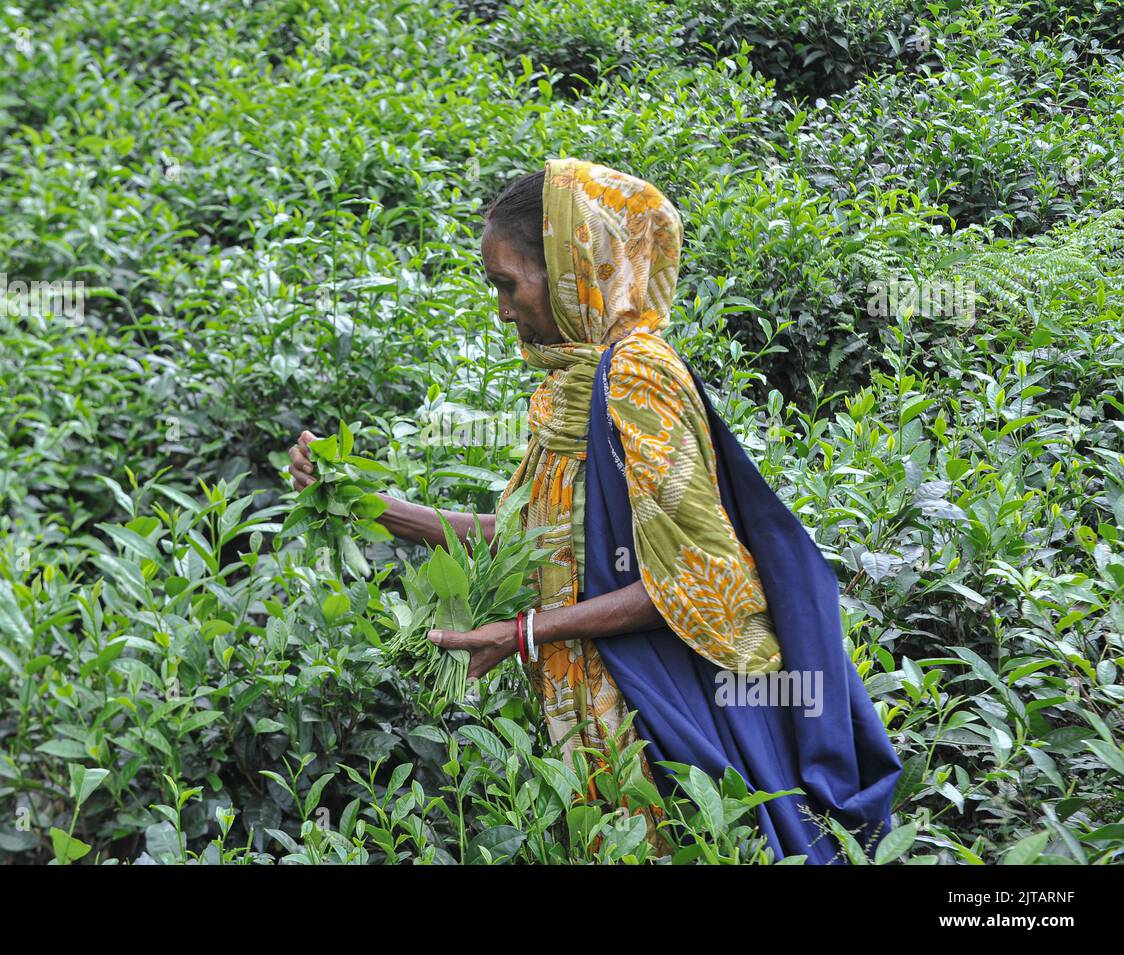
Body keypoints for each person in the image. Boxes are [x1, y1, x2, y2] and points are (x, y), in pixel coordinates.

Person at [288, 157, 901, 862]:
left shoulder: (636, 375)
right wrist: (368, 505)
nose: (502, 308)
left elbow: (704, 577)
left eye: (508, 284)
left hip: (661, 717)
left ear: (569, 265)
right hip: (600, 718)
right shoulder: (575, 384)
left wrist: (524, 632)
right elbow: (542, 541)